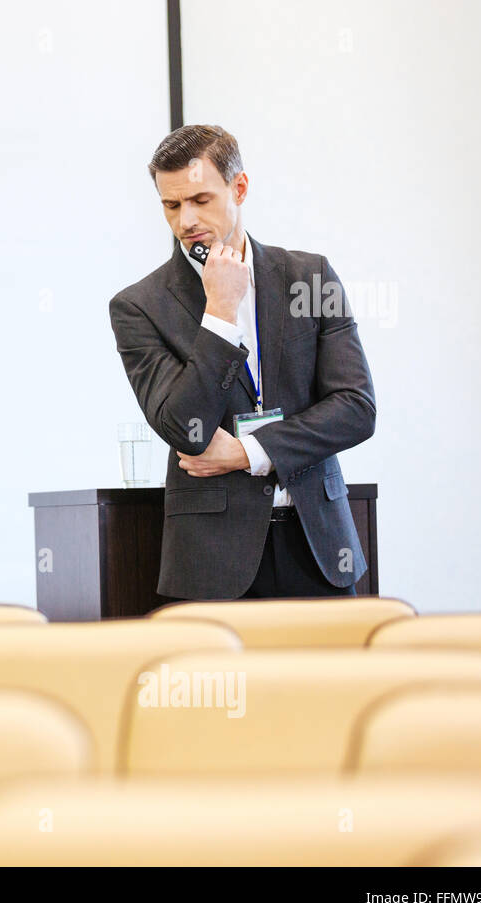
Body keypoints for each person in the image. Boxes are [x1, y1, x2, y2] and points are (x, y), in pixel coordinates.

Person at [109, 124, 376, 600]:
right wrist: (219, 314)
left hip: (318, 550)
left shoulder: (309, 277)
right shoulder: (138, 306)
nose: (186, 219)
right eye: (172, 206)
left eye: (200, 199)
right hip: (214, 565)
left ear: (239, 188)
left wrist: (249, 453)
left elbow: (356, 408)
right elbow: (186, 429)